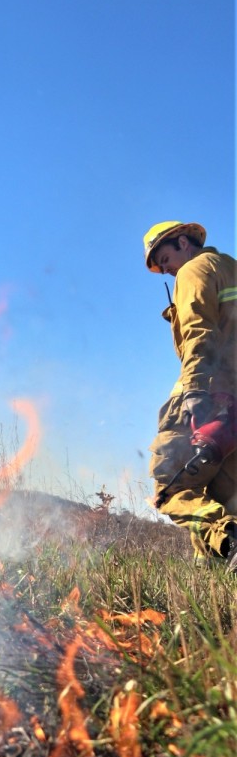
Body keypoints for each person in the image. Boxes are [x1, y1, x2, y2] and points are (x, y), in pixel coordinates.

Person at [143, 221, 237, 569]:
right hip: (233, 402)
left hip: (207, 392)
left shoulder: (194, 270)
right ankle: (212, 580)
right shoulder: (231, 268)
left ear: (183, 242)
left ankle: (229, 539)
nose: (165, 270)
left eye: (165, 258)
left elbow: (199, 330)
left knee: (170, 488)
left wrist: (196, 388)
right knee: (225, 494)